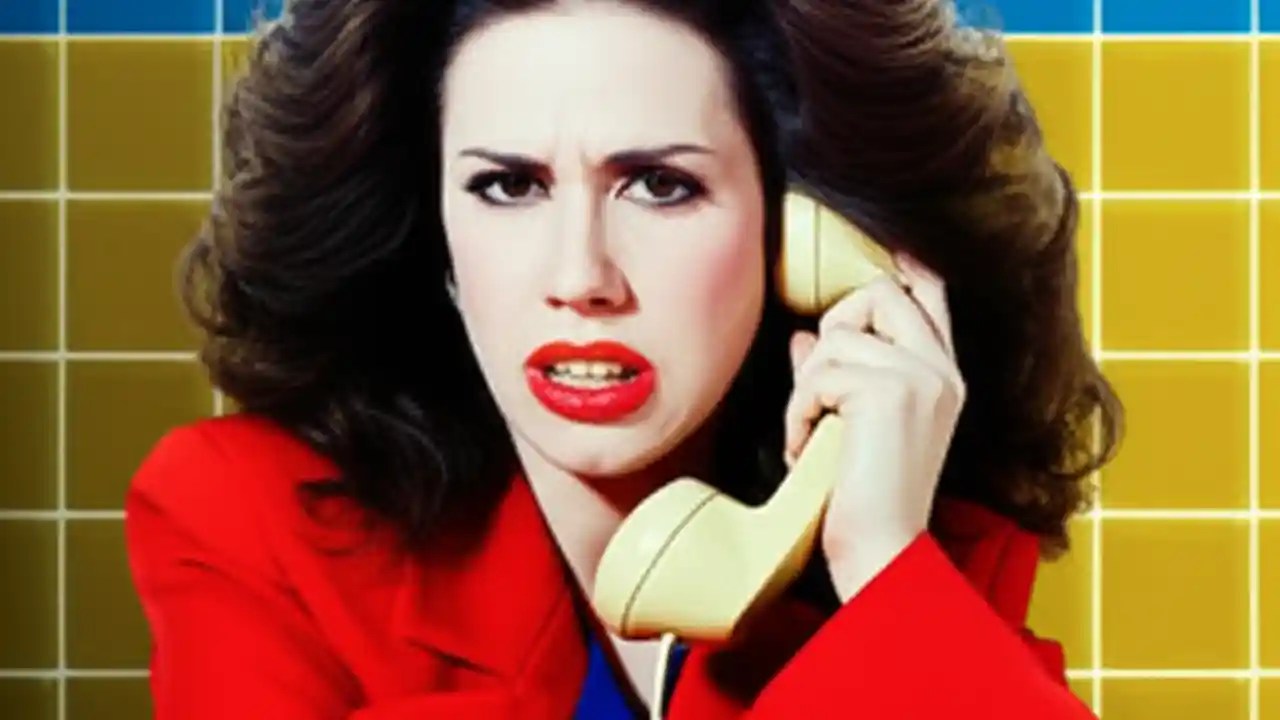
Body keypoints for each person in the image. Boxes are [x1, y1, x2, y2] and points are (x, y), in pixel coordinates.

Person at [125, 0, 1124, 717]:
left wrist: (878, 563)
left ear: (798, 237)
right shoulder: (246, 520)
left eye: (656, 185)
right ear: (430, 231)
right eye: (508, 187)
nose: (581, 276)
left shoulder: (912, 563)